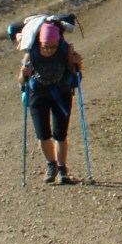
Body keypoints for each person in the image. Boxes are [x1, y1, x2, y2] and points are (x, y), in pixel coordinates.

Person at [20, 22, 84, 185]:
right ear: (40, 43)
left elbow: (74, 71)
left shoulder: (65, 51)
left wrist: (77, 63)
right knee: (42, 134)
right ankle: (51, 166)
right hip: (38, 95)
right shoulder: (32, 54)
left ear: (58, 43)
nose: (48, 50)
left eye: (52, 47)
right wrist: (23, 74)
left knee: (60, 134)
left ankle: (63, 170)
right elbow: (21, 81)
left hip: (61, 93)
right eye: (45, 46)